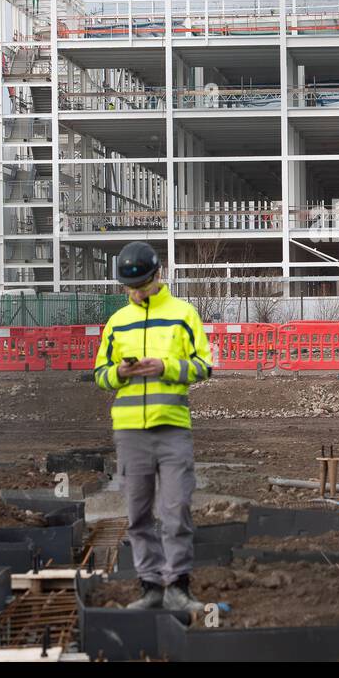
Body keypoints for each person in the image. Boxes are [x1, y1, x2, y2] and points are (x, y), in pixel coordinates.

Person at [93, 241, 213, 612]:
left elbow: (204, 365)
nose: (136, 293)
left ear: (158, 276)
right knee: (138, 513)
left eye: (142, 285)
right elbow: (100, 374)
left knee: (176, 509)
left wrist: (166, 368)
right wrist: (120, 372)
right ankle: (151, 588)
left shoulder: (183, 314)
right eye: (130, 288)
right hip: (129, 431)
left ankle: (178, 584)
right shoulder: (117, 322)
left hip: (172, 428)